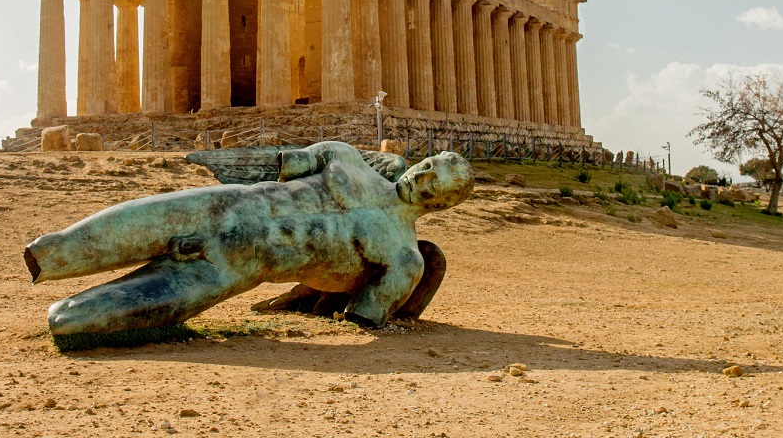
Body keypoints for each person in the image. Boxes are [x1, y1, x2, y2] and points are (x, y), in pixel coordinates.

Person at [25, 141, 475, 336]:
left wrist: (355, 298)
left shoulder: (403, 257)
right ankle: (48, 260)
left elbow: (363, 315)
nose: (427, 177)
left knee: (71, 320)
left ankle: (74, 321)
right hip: (222, 204)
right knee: (59, 248)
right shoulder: (346, 159)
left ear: (443, 205)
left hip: (242, 263)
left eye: (440, 184)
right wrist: (218, 162)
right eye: (430, 165)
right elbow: (274, 164)